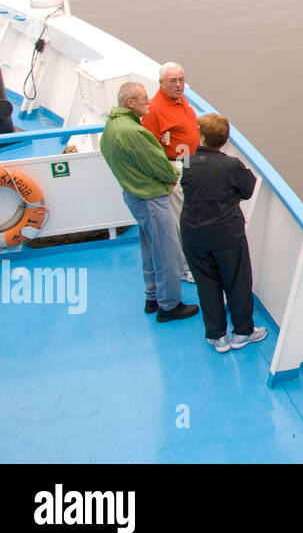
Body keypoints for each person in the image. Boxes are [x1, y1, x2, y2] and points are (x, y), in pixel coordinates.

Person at [101, 81, 198, 323]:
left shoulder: (113, 125)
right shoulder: (135, 132)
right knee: (167, 251)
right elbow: (159, 164)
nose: (149, 102)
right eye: (144, 98)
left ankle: (152, 296)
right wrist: (173, 177)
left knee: (149, 247)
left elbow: (107, 152)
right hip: (151, 197)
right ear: (130, 103)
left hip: (134, 195)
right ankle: (169, 305)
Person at [180, 112, 266, 353]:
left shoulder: (187, 161)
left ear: (201, 136)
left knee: (206, 284)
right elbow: (248, 189)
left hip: (193, 234)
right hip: (227, 235)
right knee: (237, 282)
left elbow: (186, 184)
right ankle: (242, 332)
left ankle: (217, 336)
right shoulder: (231, 165)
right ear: (225, 139)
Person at [141, 61, 198, 284]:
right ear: (161, 83)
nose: (178, 85)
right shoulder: (155, 109)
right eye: (173, 81)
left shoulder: (179, 99)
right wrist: (167, 174)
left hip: (190, 165)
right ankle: (185, 267)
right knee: (180, 219)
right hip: (175, 169)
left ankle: (194, 259)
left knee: (191, 215)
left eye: (181, 80)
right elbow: (149, 145)